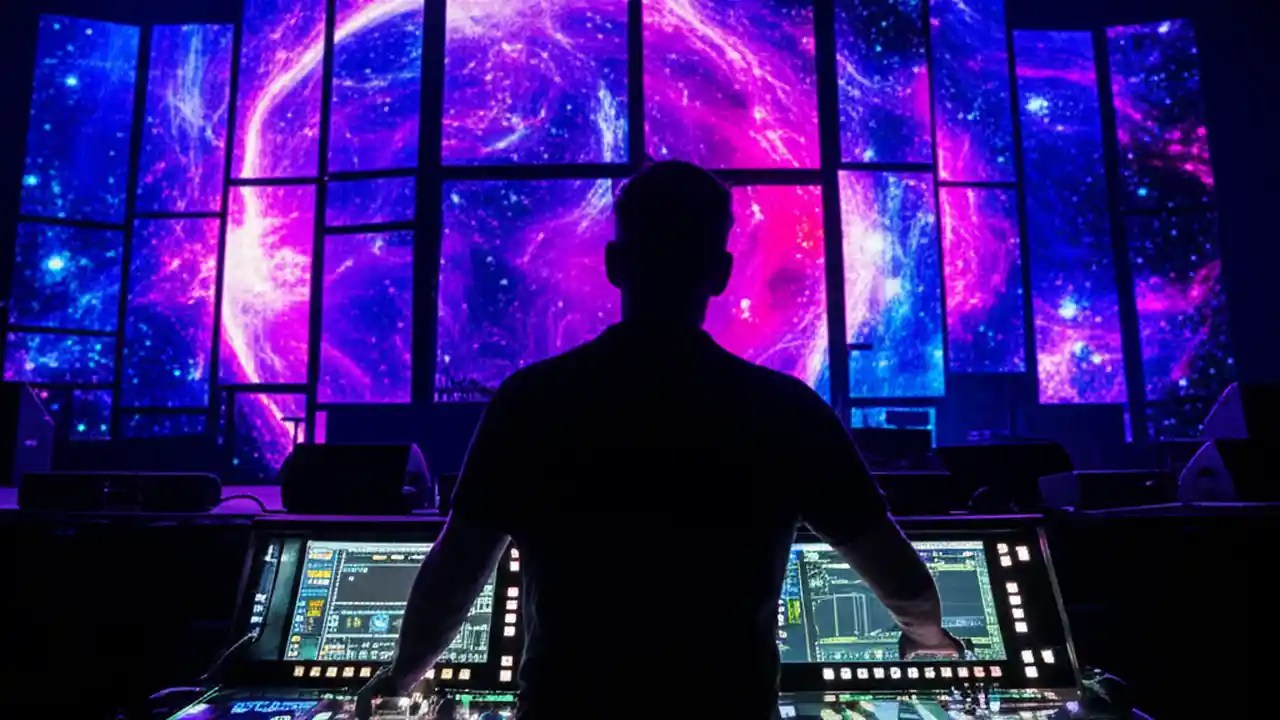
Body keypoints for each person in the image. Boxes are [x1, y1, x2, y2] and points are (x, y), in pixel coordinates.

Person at [356, 161, 962, 720]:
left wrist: (401, 678)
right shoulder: (784, 410)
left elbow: (457, 570)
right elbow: (899, 578)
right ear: (721, 274)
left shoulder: (531, 401)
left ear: (616, 264)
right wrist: (929, 638)